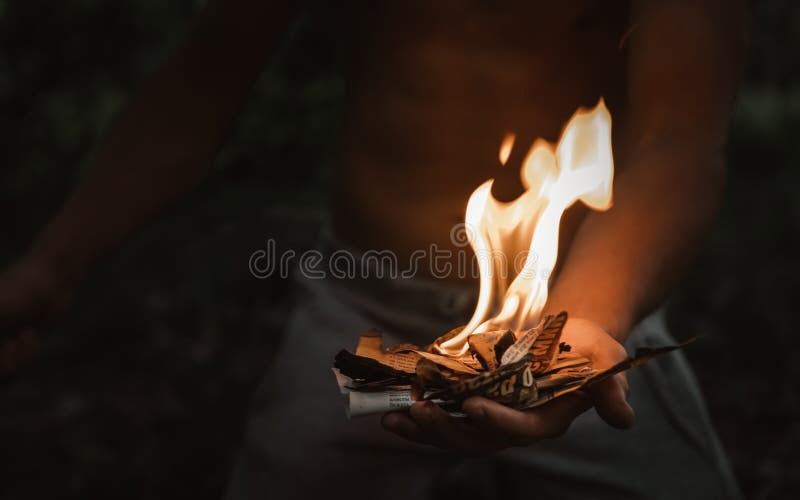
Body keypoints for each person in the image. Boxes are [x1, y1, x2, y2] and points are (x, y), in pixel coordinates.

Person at [0, 0, 749, 498]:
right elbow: (211, 69)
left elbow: (677, 140)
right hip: (362, 314)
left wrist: (574, 332)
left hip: (585, 318)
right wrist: (49, 268)